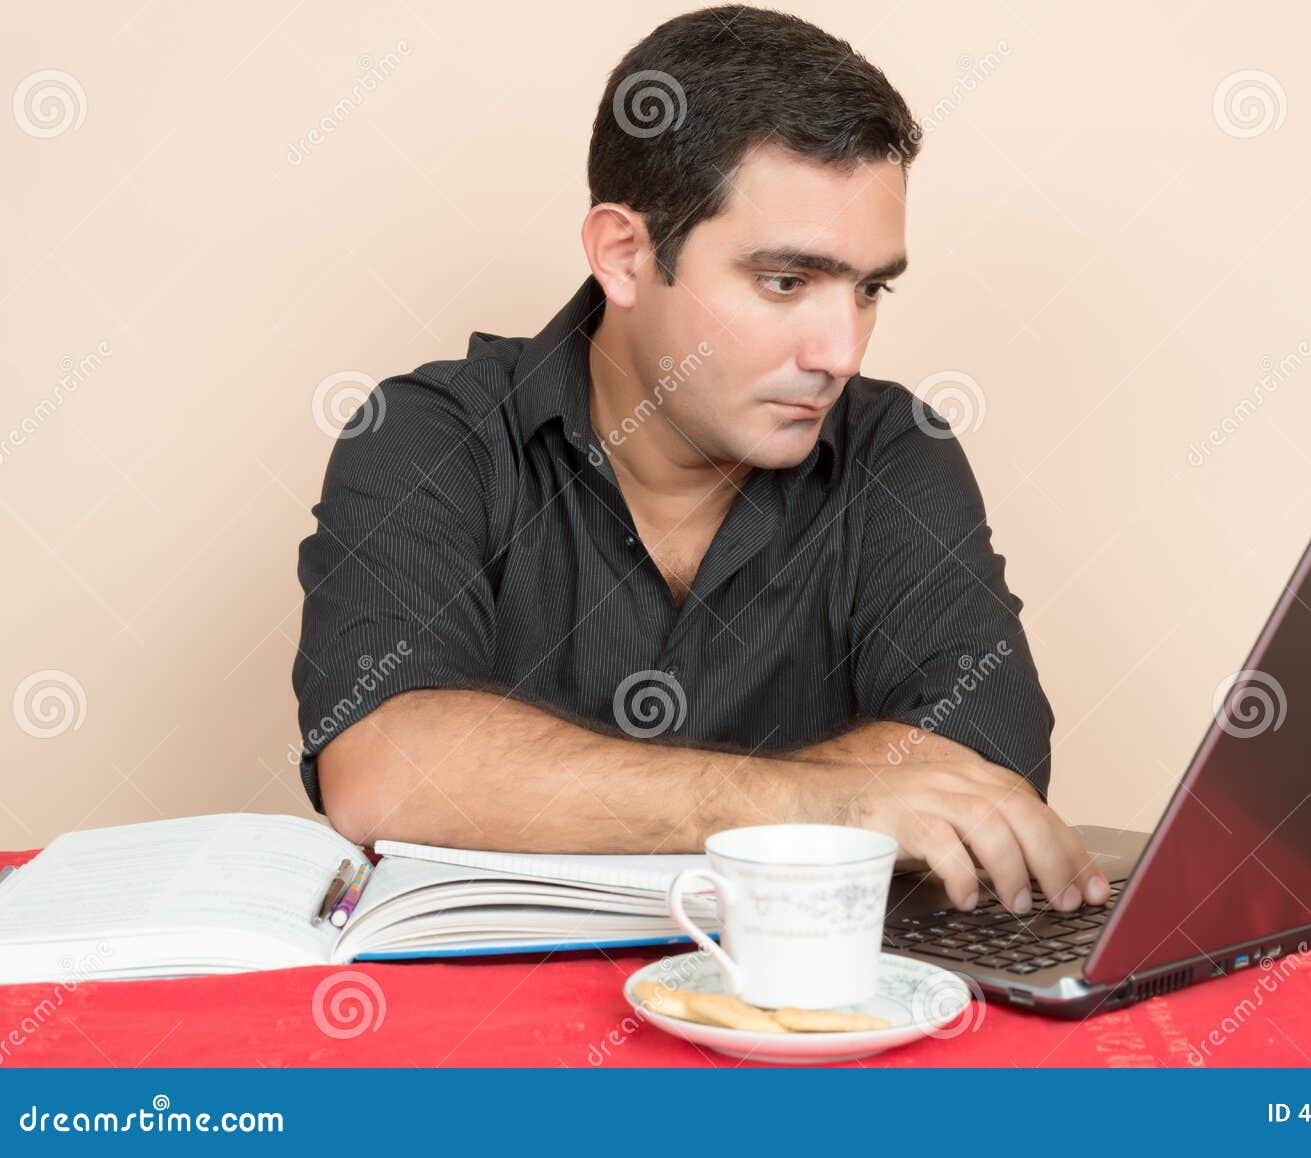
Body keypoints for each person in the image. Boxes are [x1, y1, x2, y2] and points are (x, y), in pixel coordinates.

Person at [292, 4, 1109, 916]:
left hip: (812, 1032)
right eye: (786, 282)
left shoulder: (894, 449)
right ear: (626, 254)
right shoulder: (431, 435)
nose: (842, 351)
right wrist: (831, 798)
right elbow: (382, 771)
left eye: (870, 288)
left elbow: (984, 765)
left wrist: (549, 786)